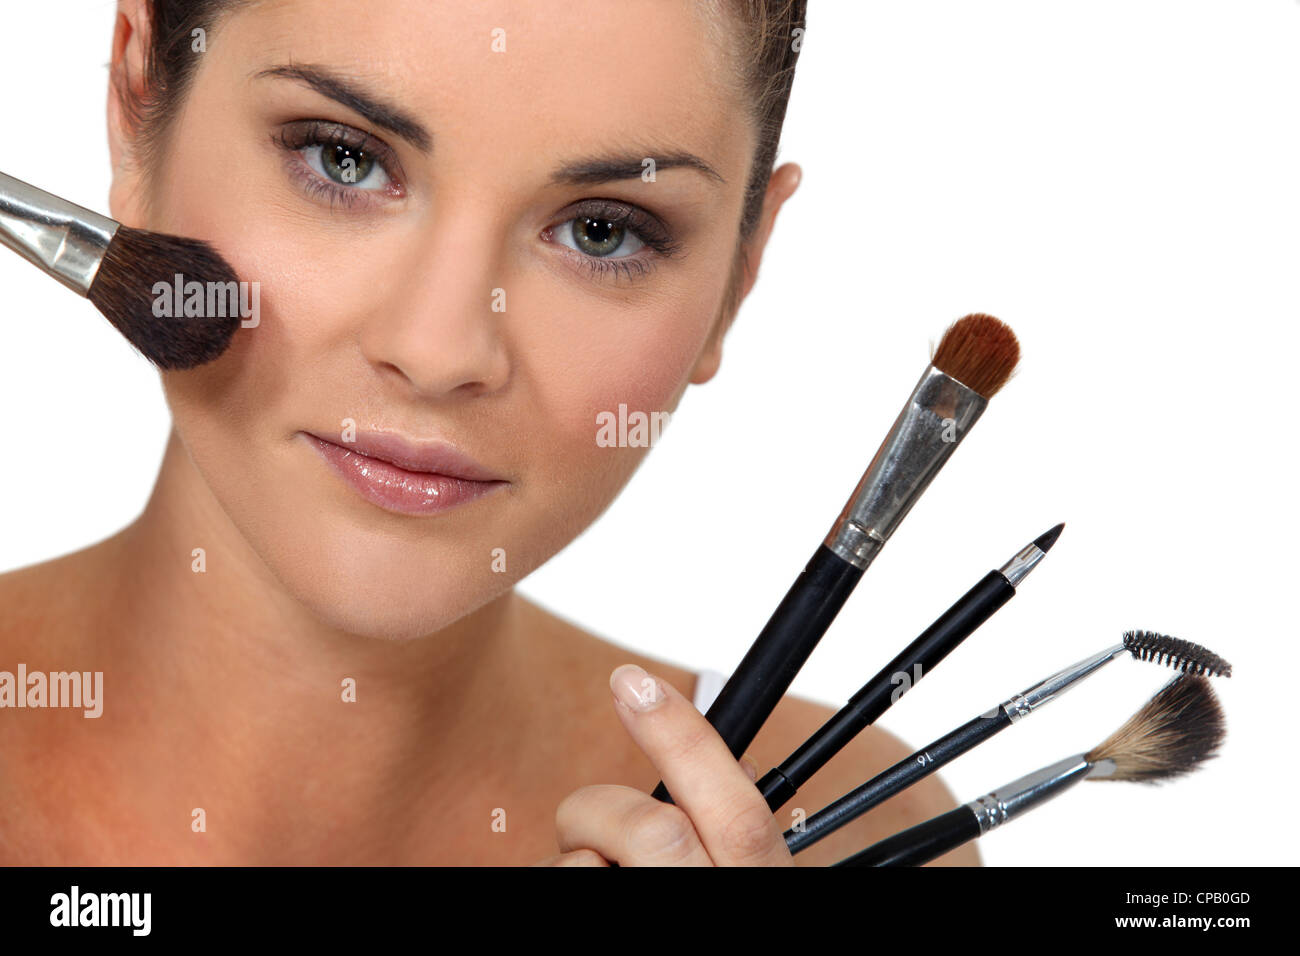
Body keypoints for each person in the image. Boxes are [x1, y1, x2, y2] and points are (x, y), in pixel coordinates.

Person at [0, 0, 978, 866]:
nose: (439, 350)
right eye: (343, 157)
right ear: (137, 105)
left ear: (740, 271)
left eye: (603, 229)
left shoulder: (837, 824)